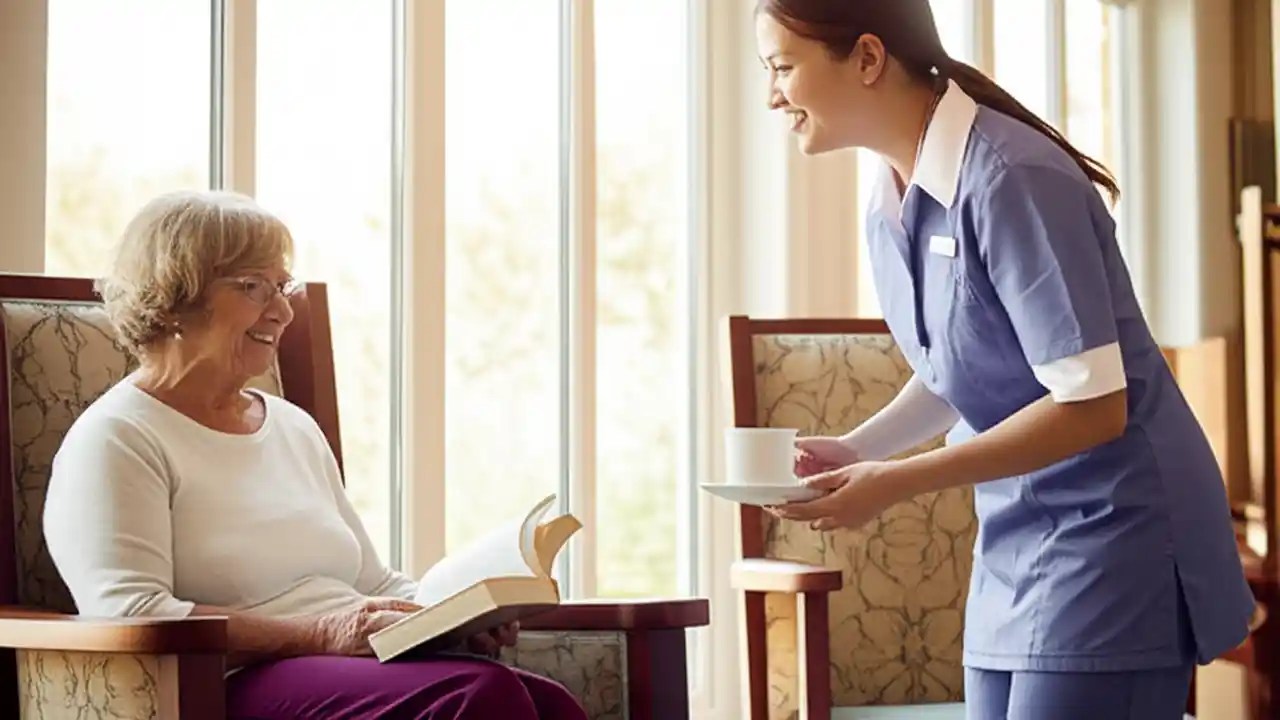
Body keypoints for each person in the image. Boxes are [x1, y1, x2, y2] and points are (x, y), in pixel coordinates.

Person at [753, 1, 1254, 718]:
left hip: (1117, 540)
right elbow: (960, 368)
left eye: (781, 67)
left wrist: (893, 481)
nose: (772, 93)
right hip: (1014, 547)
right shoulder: (892, 199)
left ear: (867, 58)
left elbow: (1092, 406)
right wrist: (853, 451)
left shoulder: (1013, 177)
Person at [43, 190, 588, 720]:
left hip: (339, 664)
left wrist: (454, 615)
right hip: (227, 682)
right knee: (475, 697)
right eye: (254, 286)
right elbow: (130, 614)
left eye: (283, 286)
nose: (282, 311)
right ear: (176, 298)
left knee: (549, 704)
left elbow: (373, 584)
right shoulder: (119, 437)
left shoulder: (291, 425)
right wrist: (320, 633)